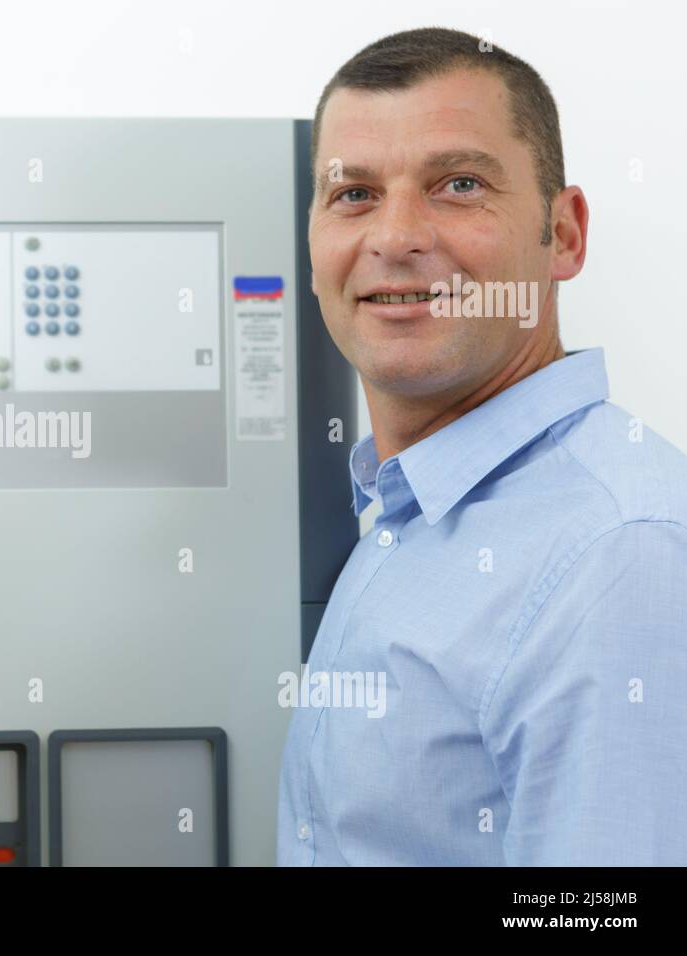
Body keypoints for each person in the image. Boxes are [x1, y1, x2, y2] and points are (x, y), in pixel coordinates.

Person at [278, 27, 687, 865]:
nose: (395, 237)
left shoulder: (618, 554)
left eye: (458, 185)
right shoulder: (407, 504)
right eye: (352, 194)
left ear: (563, 235)